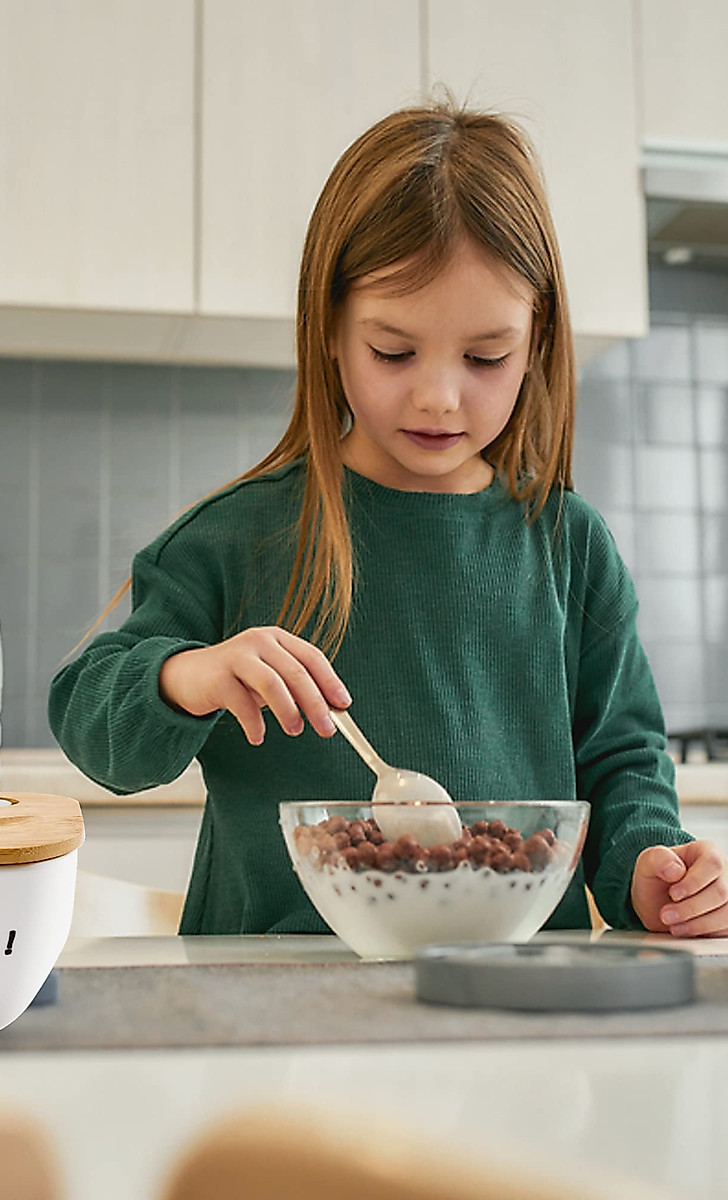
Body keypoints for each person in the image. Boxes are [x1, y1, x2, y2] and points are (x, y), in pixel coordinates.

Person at [48, 98, 728, 938]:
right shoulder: (239, 537)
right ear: (329, 330)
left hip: (505, 1011)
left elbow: (622, 764)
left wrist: (653, 871)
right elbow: (89, 720)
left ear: (538, 338)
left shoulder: (568, 545)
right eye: (393, 351)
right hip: (271, 1022)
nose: (439, 396)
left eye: (486, 357)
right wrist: (188, 675)